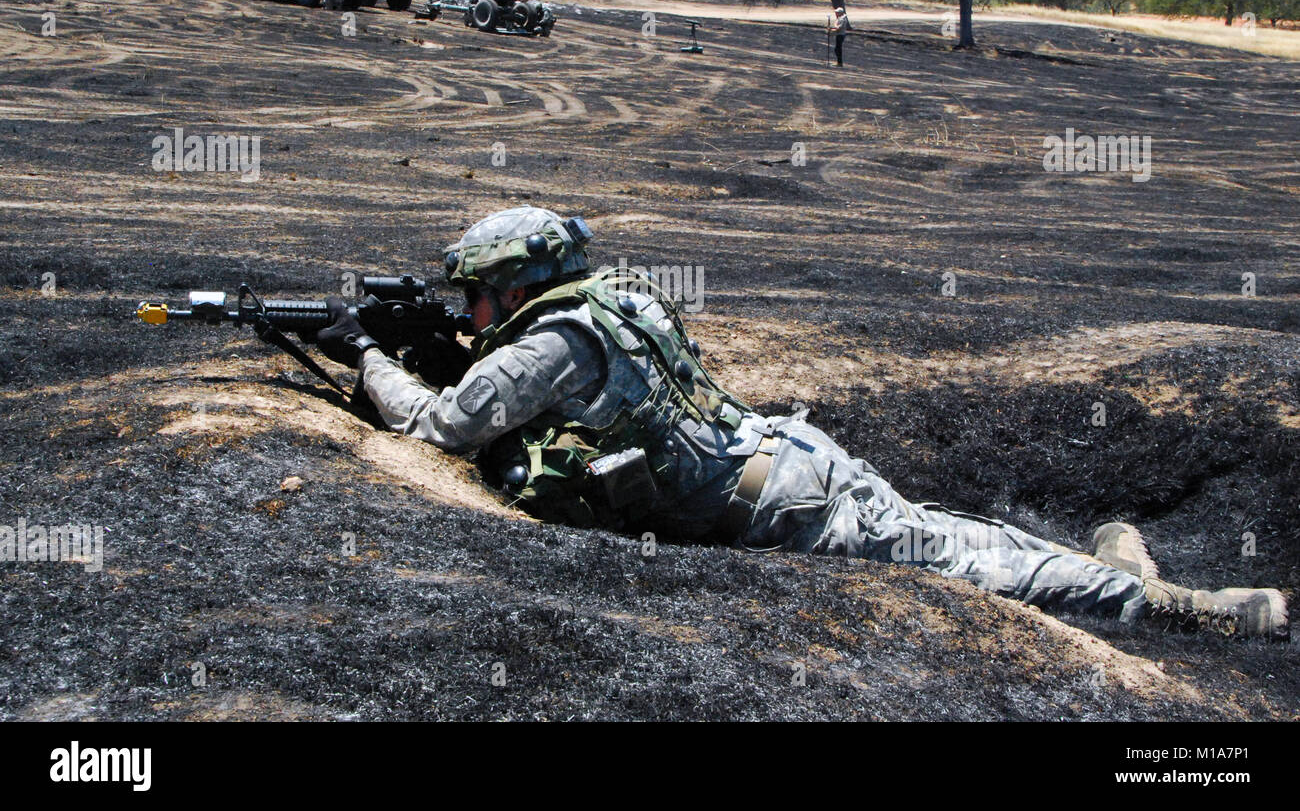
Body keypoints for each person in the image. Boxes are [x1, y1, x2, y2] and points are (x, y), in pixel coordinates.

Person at [312, 207, 1289, 640]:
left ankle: (1189, 608)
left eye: (476, 294)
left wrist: (365, 353)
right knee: (960, 541)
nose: (470, 311)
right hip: (785, 462)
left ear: (515, 284)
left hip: (787, 504)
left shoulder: (542, 345)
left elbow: (439, 428)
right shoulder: (616, 298)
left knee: (974, 566)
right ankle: (1122, 575)